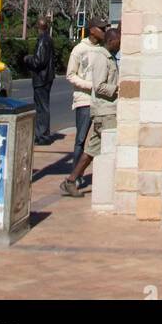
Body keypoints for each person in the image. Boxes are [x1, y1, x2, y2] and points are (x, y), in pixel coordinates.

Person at [60, 28, 121, 198]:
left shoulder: (109, 57)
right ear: (111, 41)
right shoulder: (102, 59)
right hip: (105, 111)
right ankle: (109, 185)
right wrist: (118, 89)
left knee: (91, 150)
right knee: (108, 148)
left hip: (106, 110)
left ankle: (71, 181)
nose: (120, 44)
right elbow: (99, 86)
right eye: (118, 41)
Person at [66, 19, 105, 183]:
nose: (104, 31)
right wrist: (90, 86)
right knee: (80, 139)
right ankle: (75, 176)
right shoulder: (79, 50)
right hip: (84, 100)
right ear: (92, 30)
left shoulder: (102, 50)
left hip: (100, 101)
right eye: (101, 28)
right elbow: (70, 75)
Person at [24, 17, 56, 146]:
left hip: (42, 78)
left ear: (38, 27)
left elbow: (39, 61)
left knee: (41, 107)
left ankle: (42, 135)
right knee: (42, 106)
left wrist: (27, 59)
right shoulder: (48, 39)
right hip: (46, 77)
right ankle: (42, 134)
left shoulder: (43, 40)